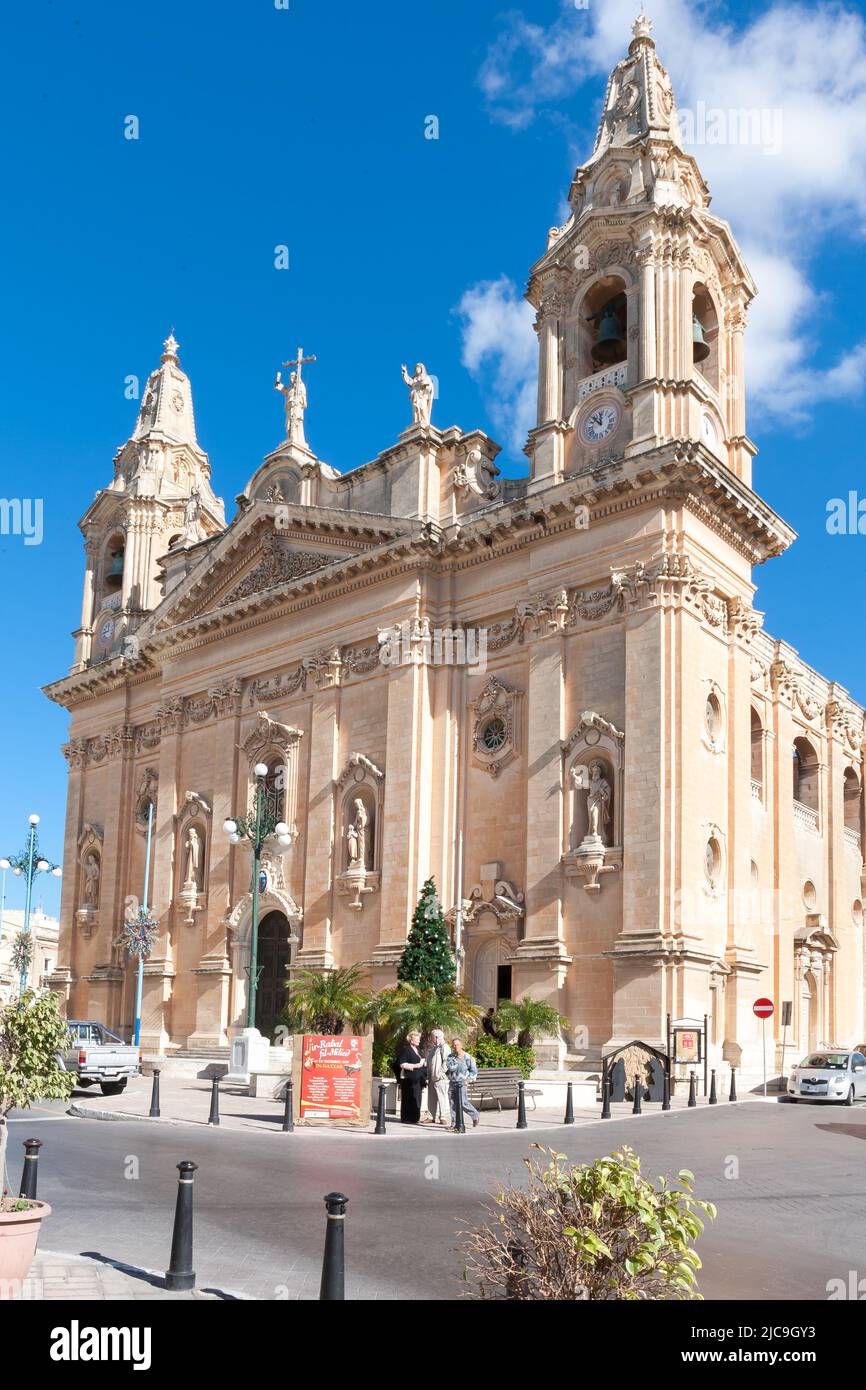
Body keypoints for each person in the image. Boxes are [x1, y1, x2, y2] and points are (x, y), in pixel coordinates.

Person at [446, 1037, 480, 1129]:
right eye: (454, 1045)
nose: (455, 1046)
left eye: (457, 1044)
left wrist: (468, 1080)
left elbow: (474, 1071)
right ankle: (454, 1123)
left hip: (462, 1083)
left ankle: (475, 1115)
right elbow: (450, 1068)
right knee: (452, 1103)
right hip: (453, 1082)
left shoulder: (467, 1057)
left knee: (463, 1102)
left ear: (461, 1045)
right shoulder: (450, 1057)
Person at [394, 1030, 426, 1124]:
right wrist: (416, 1066)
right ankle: (407, 1118)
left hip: (418, 1079)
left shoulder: (419, 1050)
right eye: (417, 1039)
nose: (419, 1041)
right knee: (408, 1098)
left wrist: (424, 1064)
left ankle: (415, 1118)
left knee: (417, 1098)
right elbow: (402, 1064)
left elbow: (422, 1061)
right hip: (408, 1079)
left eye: (419, 1039)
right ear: (411, 1040)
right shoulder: (406, 1050)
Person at [422, 1028, 451, 1127]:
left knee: (441, 1097)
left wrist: (440, 1073)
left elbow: (447, 1061)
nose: (431, 1039)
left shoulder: (444, 1047)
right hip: (431, 1077)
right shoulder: (434, 1048)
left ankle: (443, 1117)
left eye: (432, 1037)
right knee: (431, 1098)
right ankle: (431, 1117)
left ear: (437, 1037)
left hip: (440, 1078)